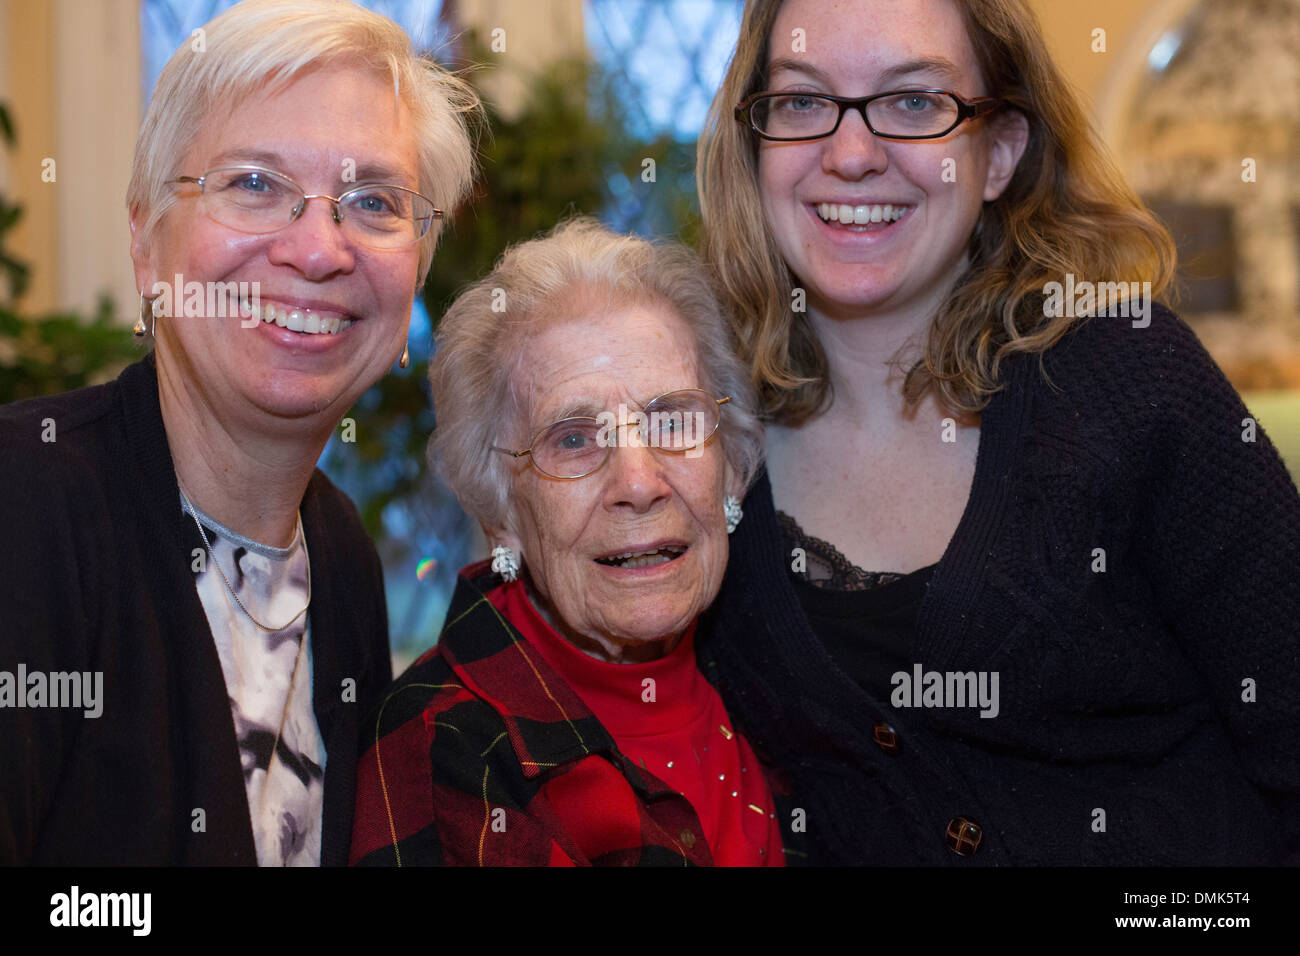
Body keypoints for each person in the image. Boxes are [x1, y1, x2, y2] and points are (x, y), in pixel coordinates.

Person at [695, 0, 1300, 864]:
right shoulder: (698, 440)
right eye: (802, 103)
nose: (852, 154)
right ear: (753, 144)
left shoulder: (1130, 379)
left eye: (915, 103)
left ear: (1000, 153)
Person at [0, 0, 478, 865]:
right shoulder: (25, 506)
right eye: (255, 183)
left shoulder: (340, 559)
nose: (318, 247)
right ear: (146, 237)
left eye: (373, 200)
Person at [350, 219, 781, 866]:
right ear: (501, 510)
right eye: (574, 439)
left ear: (733, 461)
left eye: (672, 419)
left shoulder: (777, 678)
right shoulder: (442, 751)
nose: (638, 482)